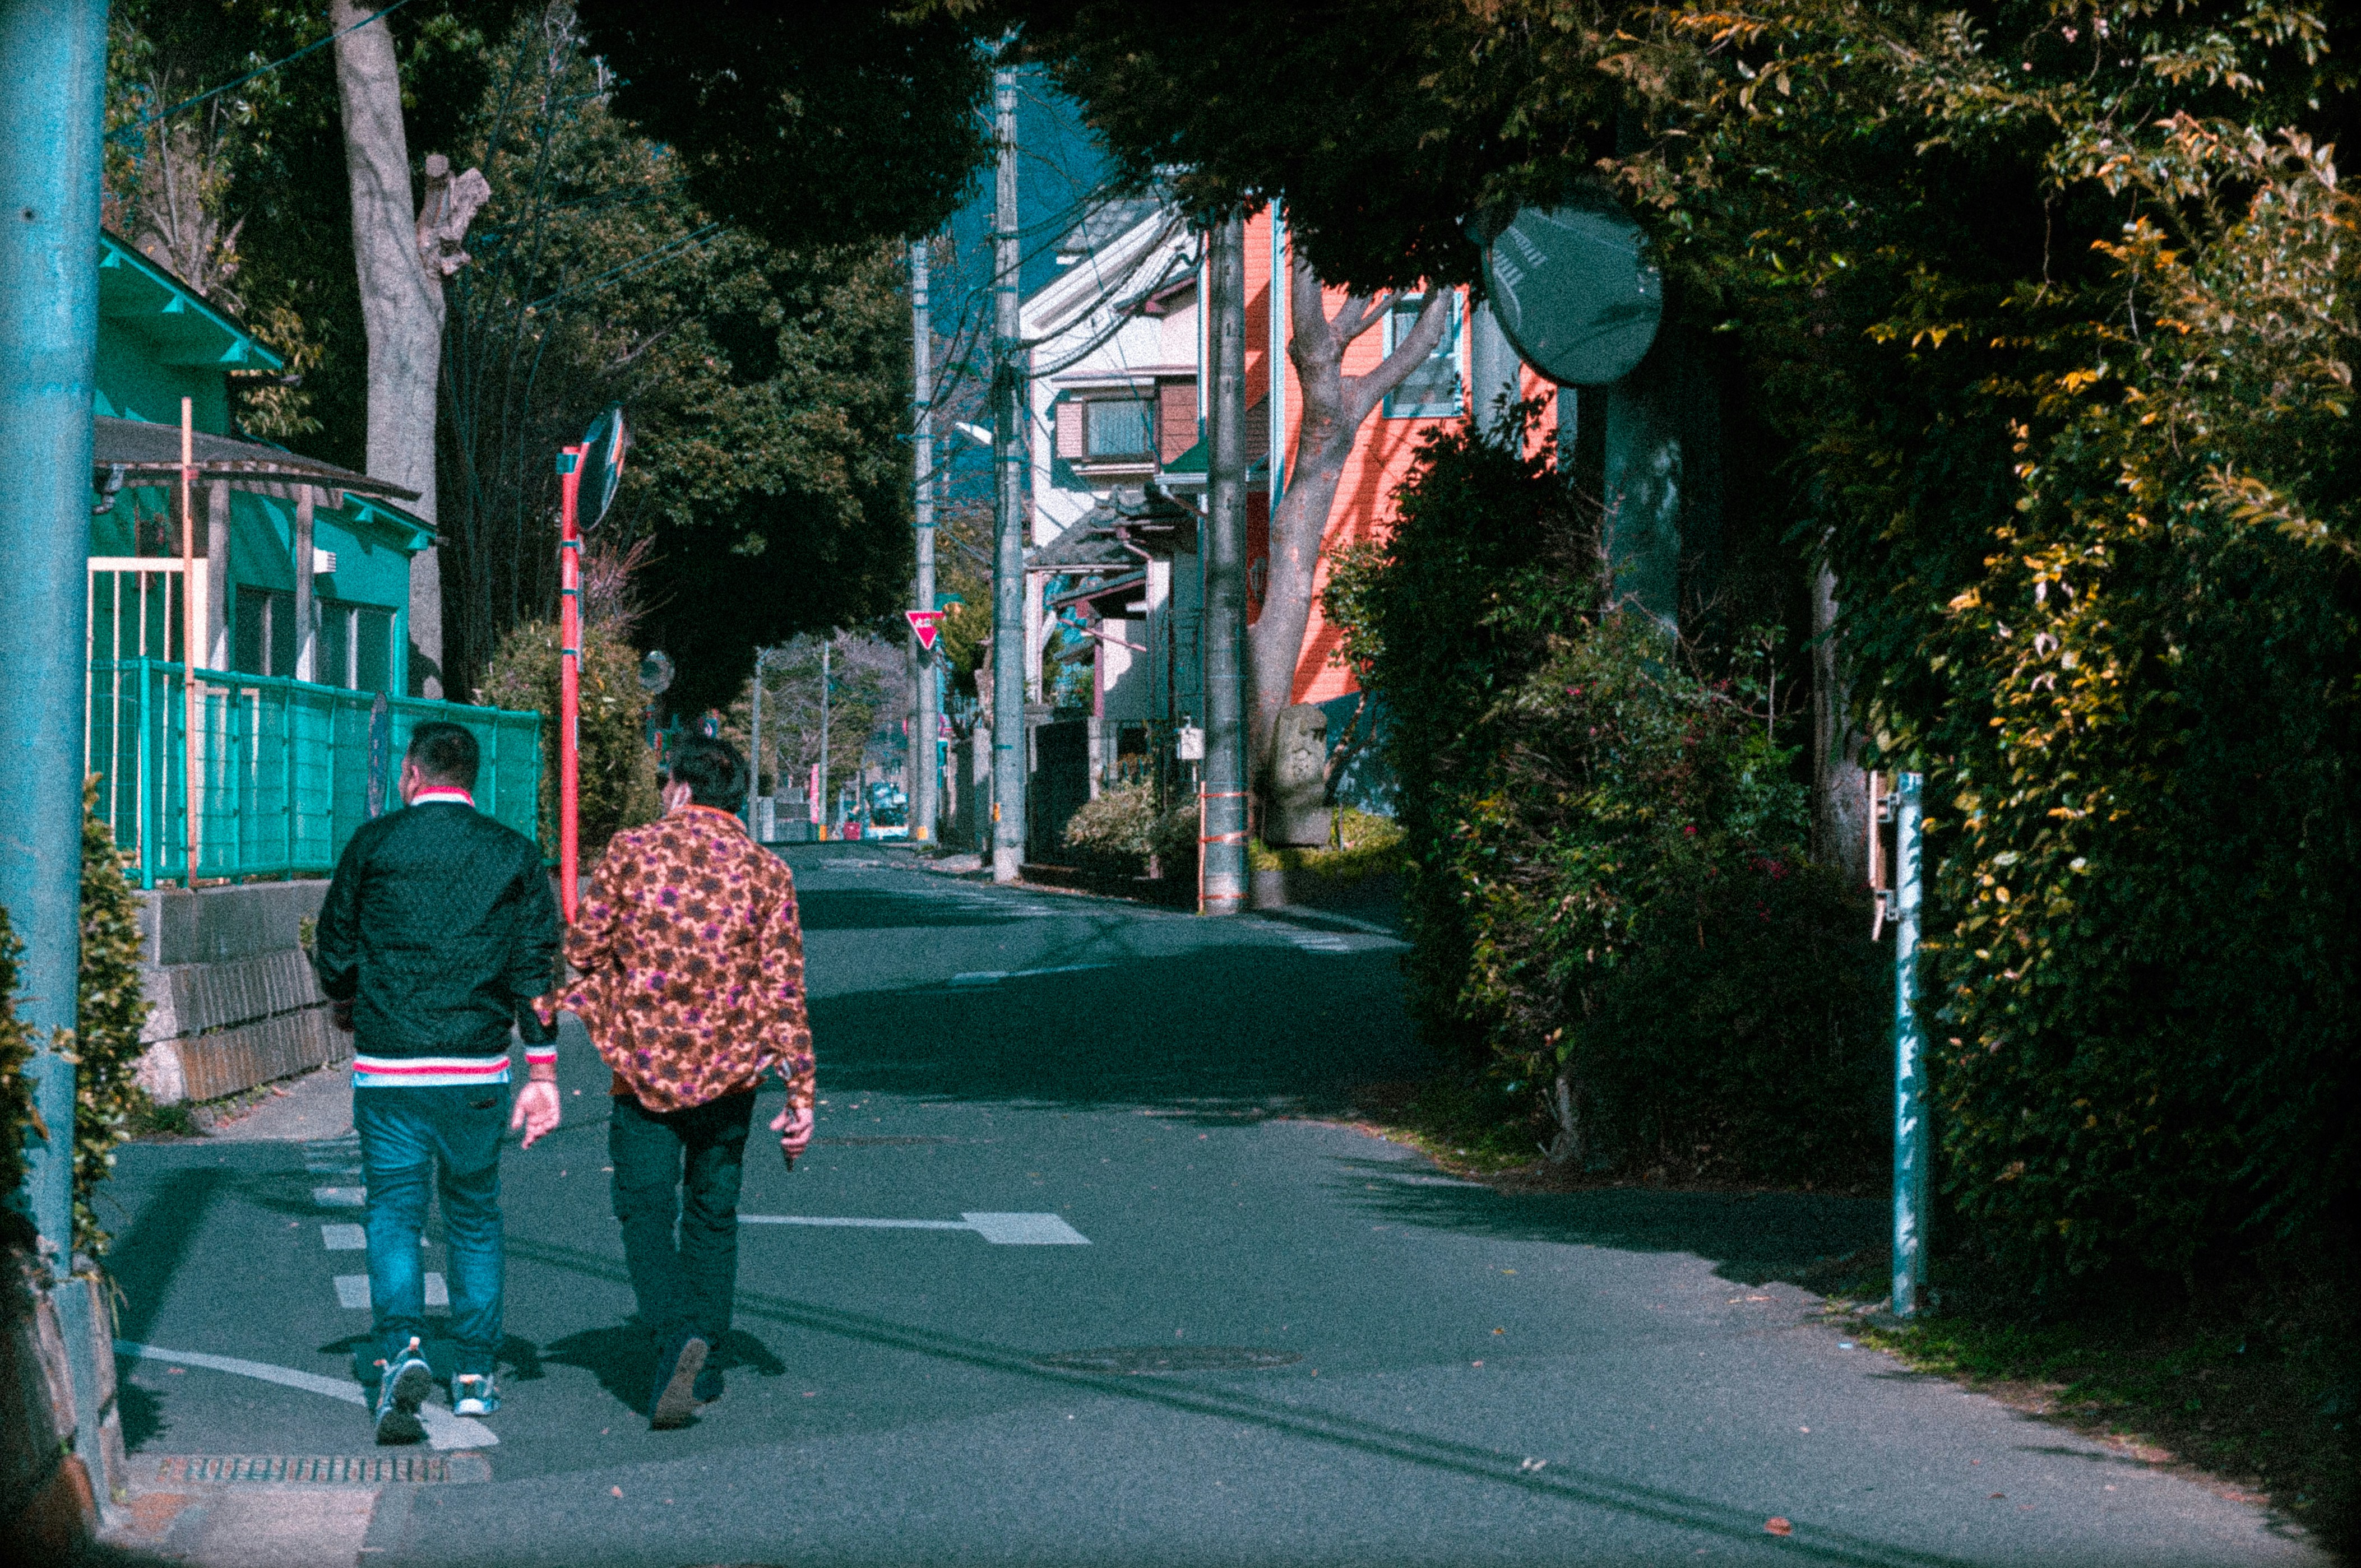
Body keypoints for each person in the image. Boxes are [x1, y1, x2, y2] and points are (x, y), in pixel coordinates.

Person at [314, 721, 561, 1443]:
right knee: (474, 1215)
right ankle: (477, 1374)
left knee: (394, 1212)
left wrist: (350, 997)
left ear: (412, 774)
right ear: (471, 778)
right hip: (475, 1071)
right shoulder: (512, 854)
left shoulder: (375, 844)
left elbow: (334, 949)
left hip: (389, 1065)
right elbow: (536, 970)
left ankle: (400, 1351)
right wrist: (540, 1069)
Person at [563, 734, 816, 1429]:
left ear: (678, 788)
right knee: (712, 1212)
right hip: (733, 1074)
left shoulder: (631, 851)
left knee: (645, 1209)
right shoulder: (767, 872)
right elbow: (784, 987)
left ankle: (676, 1334)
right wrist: (802, 1093)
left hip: (641, 1071)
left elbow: (584, 948)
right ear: (737, 800)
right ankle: (701, 1364)